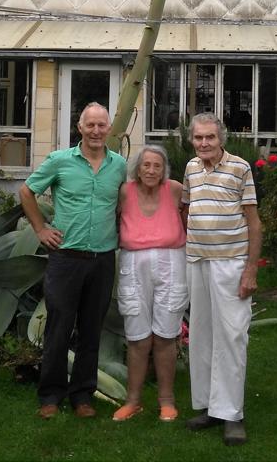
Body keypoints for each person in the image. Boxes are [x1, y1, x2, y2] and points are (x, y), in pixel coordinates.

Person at [19, 102, 126, 420]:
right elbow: (27, 192)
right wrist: (40, 228)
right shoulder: (59, 161)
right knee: (59, 328)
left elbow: (123, 204)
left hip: (103, 259)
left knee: (93, 329)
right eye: (90, 125)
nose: (96, 131)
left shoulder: (118, 165)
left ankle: (82, 395)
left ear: (109, 129)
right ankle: (50, 395)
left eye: (101, 125)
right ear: (79, 127)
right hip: (66, 259)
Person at [181, 113, 262, 448]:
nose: (204, 143)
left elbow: (254, 224)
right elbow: (187, 208)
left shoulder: (240, 168)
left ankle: (232, 414)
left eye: (210, 137)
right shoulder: (190, 169)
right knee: (202, 336)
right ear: (192, 140)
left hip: (231, 263)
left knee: (232, 336)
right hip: (198, 261)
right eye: (198, 138)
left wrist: (251, 270)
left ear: (221, 138)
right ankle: (209, 407)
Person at [113, 144, 187, 423]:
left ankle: (166, 401)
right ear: (138, 168)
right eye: (146, 165)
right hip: (133, 265)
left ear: (164, 169)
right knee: (137, 336)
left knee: (166, 335)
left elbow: (191, 217)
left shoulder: (176, 189)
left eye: (157, 165)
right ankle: (133, 401)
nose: (151, 170)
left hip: (171, 263)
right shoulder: (125, 191)